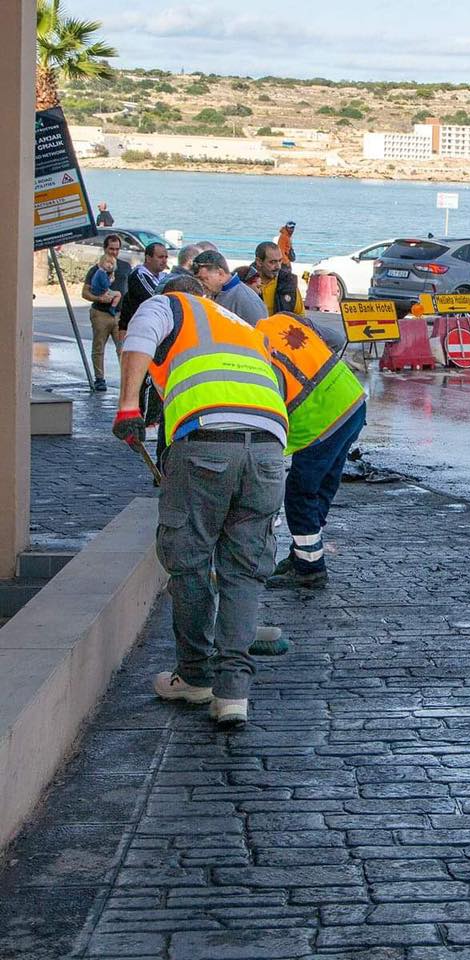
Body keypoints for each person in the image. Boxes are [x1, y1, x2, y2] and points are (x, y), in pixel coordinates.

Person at [112, 275, 289, 728]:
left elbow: (138, 338)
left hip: (206, 443)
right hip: (269, 450)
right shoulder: (242, 326)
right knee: (244, 569)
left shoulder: (168, 305)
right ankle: (234, 695)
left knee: (188, 560)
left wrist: (129, 406)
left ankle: (195, 677)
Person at [255, 311, 367, 589]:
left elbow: (274, 400)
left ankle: (309, 568)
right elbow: (337, 338)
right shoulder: (285, 319)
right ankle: (304, 552)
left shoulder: (255, 349)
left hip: (320, 423)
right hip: (351, 402)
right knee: (322, 485)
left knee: (300, 492)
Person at [80, 236, 127, 389]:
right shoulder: (96, 270)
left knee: (123, 348)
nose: (114, 252)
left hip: (120, 315)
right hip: (100, 313)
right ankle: (99, 379)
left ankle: (128, 379)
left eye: (117, 249)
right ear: (105, 249)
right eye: (111, 249)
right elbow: (85, 293)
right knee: (99, 347)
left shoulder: (125, 267)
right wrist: (99, 298)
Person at [192, 250, 268, 324]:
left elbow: (260, 333)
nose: (200, 284)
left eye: (203, 279)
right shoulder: (215, 292)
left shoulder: (248, 300)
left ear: (220, 273)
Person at [120, 242, 169, 332]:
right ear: (148, 258)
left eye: (166, 257)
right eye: (160, 257)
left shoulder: (163, 276)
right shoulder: (139, 274)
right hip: (140, 327)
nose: (164, 260)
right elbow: (154, 297)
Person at [253, 241, 304, 315]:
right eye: (272, 262)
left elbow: (300, 315)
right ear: (259, 262)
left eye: (280, 261)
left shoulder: (288, 283)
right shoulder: (246, 284)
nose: (278, 266)